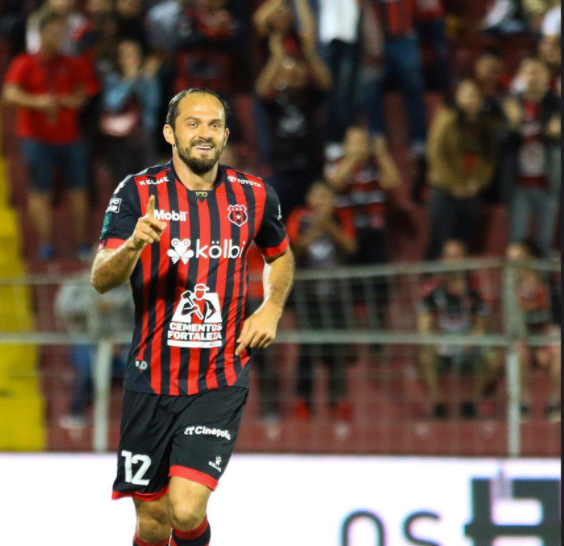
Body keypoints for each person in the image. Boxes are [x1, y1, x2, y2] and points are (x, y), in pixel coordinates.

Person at [92, 88, 295, 546]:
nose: (204, 133)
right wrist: (134, 245)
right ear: (169, 132)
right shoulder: (138, 192)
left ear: (225, 134)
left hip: (217, 378)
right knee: (152, 522)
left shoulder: (254, 195)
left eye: (214, 125)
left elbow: (280, 255)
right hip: (150, 378)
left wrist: (271, 309)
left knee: (186, 510)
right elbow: (101, 278)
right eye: (192, 123)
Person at [3, 14, 100, 261]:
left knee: (80, 189)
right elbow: (10, 94)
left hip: (69, 135)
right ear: (41, 35)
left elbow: (85, 91)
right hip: (36, 137)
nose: (57, 38)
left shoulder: (72, 64)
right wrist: (38, 102)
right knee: (40, 190)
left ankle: (83, 244)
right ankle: (45, 245)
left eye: (61, 34)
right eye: (52, 33)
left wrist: (74, 102)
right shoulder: (25, 63)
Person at [287, 182, 357, 421]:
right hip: (308, 298)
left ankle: (338, 400)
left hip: (337, 296)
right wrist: (314, 232)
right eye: (317, 195)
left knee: (337, 349)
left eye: (326, 196)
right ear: (310, 198)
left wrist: (328, 226)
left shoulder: (342, 217)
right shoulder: (299, 218)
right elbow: (290, 251)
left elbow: (350, 246)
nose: (322, 201)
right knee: (307, 349)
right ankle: (303, 401)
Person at [326, 127, 399, 334]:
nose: (359, 147)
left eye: (362, 142)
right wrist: (352, 160)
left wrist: (382, 154)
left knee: (377, 288)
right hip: (348, 234)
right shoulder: (336, 164)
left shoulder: (375, 166)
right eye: (354, 142)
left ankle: (378, 334)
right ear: (346, 146)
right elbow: (334, 183)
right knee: (349, 286)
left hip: (374, 234)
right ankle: (350, 331)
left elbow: (393, 182)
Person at [418, 239, 499, 420]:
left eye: (457, 256)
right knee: (423, 356)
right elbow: (424, 324)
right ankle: (438, 406)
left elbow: (482, 325)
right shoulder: (433, 292)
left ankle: (471, 403)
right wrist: (432, 341)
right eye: (448, 256)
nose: (452, 261)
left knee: (494, 359)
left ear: (465, 260)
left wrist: (474, 340)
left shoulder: (474, 291)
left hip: (468, 345)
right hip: (443, 345)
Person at [255, 30, 332, 218]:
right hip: (281, 172)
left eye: (298, 71)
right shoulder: (274, 103)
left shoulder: (310, 99)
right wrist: (278, 57)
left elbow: (326, 83)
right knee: (276, 222)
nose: (294, 76)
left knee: (311, 221)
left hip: (310, 171)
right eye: (288, 72)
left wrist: (308, 54)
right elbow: (260, 89)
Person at [361, 0, 429, 204]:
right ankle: (376, 136)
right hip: (373, 38)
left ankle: (419, 142)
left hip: (403, 37)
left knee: (415, 84)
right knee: (369, 87)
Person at [425, 79, 501, 260]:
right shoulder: (446, 118)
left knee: (464, 242)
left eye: (475, 96)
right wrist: (454, 185)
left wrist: (478, 183)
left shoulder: (484, 123)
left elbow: (490, 157)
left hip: (471, 190)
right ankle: (430, 281)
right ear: (458, 97)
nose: (470, 100)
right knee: (441, 239)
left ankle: (459, 284)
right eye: (466, 95)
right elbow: (435, 154)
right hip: (445, 188)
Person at [54, 265, 132, 428]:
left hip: (124, 340)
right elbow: (63, 308)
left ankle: (145, 417)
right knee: (89, 367)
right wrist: (93, 305)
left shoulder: (130, 283)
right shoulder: (77, 283)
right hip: (86, 337)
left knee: (141, 369)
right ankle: (76, 412)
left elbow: (145, 313)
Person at [503, 57, 561, 257]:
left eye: (538, 71)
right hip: (520, 184)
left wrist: (550, 133)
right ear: (520, 76)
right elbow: (500, 141)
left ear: (546, 76)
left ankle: (546, 287)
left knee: (545, 243)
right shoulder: (511, 103)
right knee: (516, 243)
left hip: (548, 184)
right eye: (529, 72)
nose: (534, 77)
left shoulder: (556, 104)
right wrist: (511, 126)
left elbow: (555, 133)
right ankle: (512, 287)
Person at [506, 241, 561, 421]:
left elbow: (556, 318)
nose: (515, 265)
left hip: (546, 336)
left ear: (530, 258)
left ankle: (555, 403)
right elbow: (513, 323)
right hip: (524, 337)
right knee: (518, 353)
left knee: (559, 354)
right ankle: (523, 404)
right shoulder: (510, 287)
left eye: (519, 259)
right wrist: (531, 347)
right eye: (511, 261)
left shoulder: (547, 283)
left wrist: (545, 345)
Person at [100, 38, 162, 181]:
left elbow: (154, 104)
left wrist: (144, 81)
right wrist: (129, 81)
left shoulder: (148, 77)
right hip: (119, 136)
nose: (130, 59)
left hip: (144, 133)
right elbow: (111, 104)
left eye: (133, 54)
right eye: (125, 55)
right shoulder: (113, 78)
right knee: (122, 180)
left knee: (147, 180)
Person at [316, 0, 362, 158]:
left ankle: (345, 141)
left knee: (347, 95)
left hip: (350, 35)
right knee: (331, 93)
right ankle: (333, 140)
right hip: (329, 36)